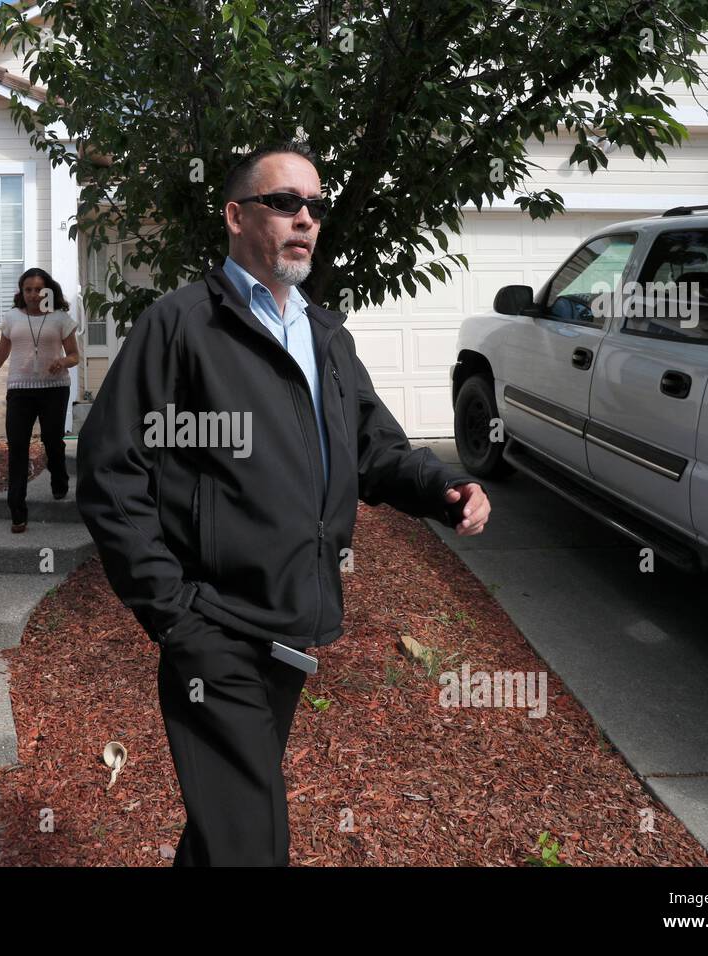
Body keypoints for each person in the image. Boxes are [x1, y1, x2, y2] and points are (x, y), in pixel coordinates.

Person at [76, 141, 492, 866]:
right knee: (252, 841)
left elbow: (373, 448)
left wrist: (441, 488)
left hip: (292, 625)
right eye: (285, 202)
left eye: (316, 207)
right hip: (215, 630)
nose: (305, 218)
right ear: (236, 216)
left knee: (227, 827)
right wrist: (174, 613)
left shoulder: (324, 335)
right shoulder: (179, 327)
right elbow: (112, 473)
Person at [0, 268, 80, 533]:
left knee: (52, 440)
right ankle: (17, 511)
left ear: (48, 290)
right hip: (20, 391)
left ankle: (59, 481)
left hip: (54, 389)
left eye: (38, 289)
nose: (34, 294)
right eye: (28, 290)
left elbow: (74, 355)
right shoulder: (12, 317)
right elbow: (2, 351)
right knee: (17, 447)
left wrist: (62, 361)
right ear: (21, 292)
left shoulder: (60, 318)